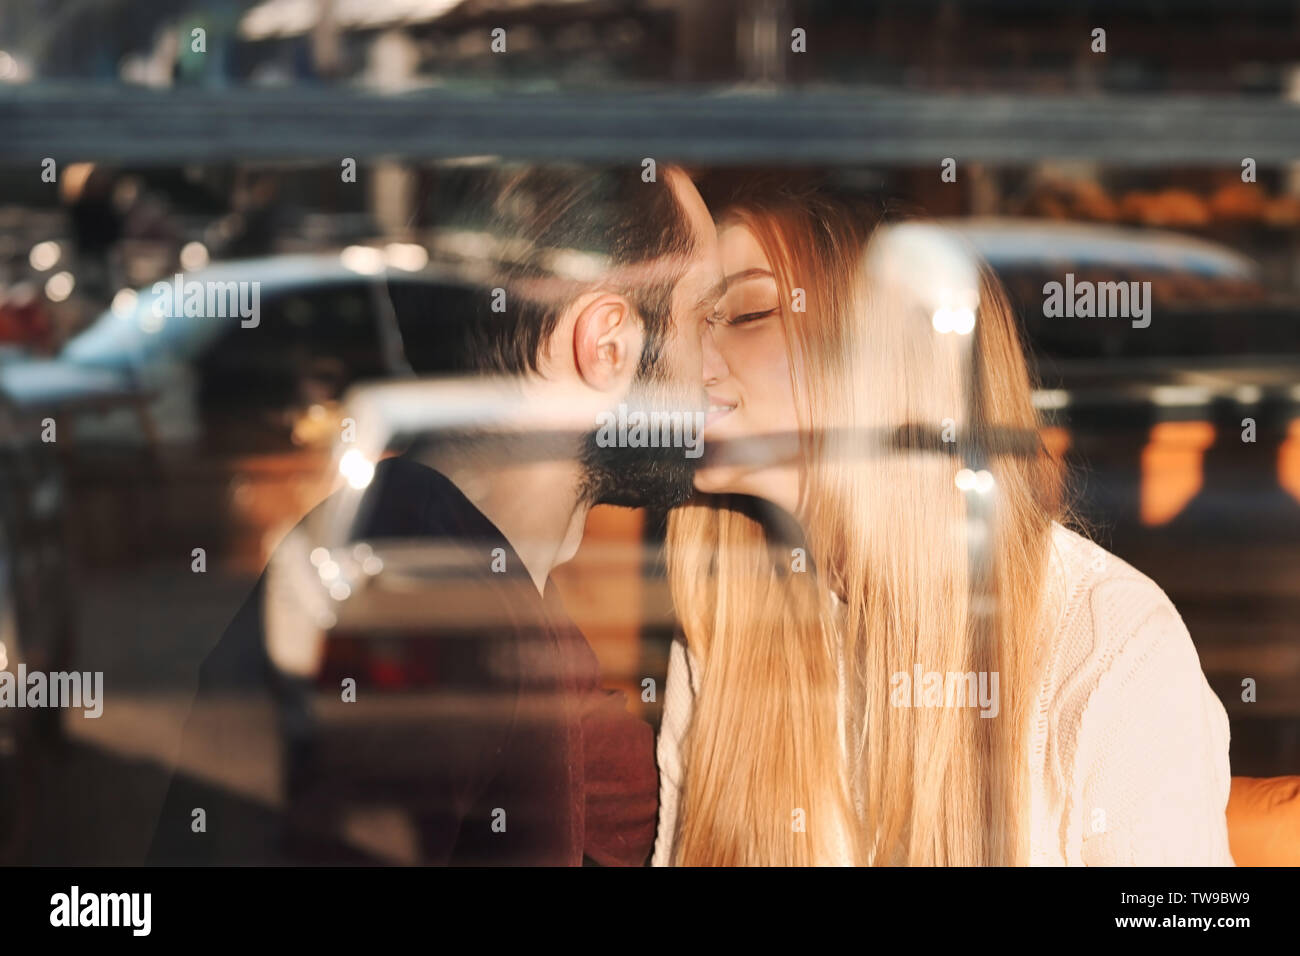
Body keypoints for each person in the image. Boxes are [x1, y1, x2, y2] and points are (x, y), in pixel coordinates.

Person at [148, 163, 724, 866]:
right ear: (606, 347)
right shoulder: (427, 607)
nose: (715, 369)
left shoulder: (461, 566)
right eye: (705, 319)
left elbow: (625, 797)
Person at [653, 182, 1234, 866]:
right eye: (689, 320)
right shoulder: (725, 618)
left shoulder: (1107, 644)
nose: (684, 355)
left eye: (746, 312)